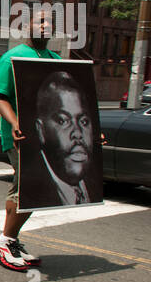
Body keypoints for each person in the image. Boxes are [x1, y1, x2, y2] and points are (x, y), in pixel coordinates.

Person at [0, 10, 61, 271]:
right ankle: (4, 241)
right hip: (20, 135)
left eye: (50, 22)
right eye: (40, 20)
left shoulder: (55, 59)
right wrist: (16, 122)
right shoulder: (12, 57)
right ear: (26, 26)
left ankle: (10, 239)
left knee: (35, 190)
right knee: (26, 188)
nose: (46, 25)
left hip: (46, 135)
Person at [28, 70, 100, 207]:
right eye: (63, 121)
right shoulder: (32, 185)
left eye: (84, 121)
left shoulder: (95, 183)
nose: (78, 133)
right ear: (41, 130)